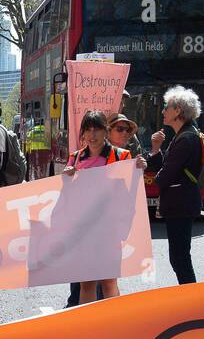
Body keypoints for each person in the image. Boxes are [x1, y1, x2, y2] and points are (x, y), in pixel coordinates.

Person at [62, 109, 147, 305]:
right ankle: (88, 326)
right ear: (82, 133)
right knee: (87, 284)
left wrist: (138, 171)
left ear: (106, 131)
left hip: (109, 230)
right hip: (83, 230)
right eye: (88, 130)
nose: (92, 135)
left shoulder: (122, 156)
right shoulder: (75, 159)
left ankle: (112, 325)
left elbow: (131, 191)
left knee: (109, 282)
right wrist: (66, 180)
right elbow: (67, 197)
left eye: (97, 130)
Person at [149, 86, 204, 285]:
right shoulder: (184, 135)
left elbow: (164, 176)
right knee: (179, 257)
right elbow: (167, 169)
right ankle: (190, 298)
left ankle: (192, 301)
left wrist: (157, 176)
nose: (163, 111)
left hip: (181, 206)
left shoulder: (186, 139)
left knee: (180, 258)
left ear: (178, 110)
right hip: (181, 205)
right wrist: (155, 150)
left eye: (166, 107)